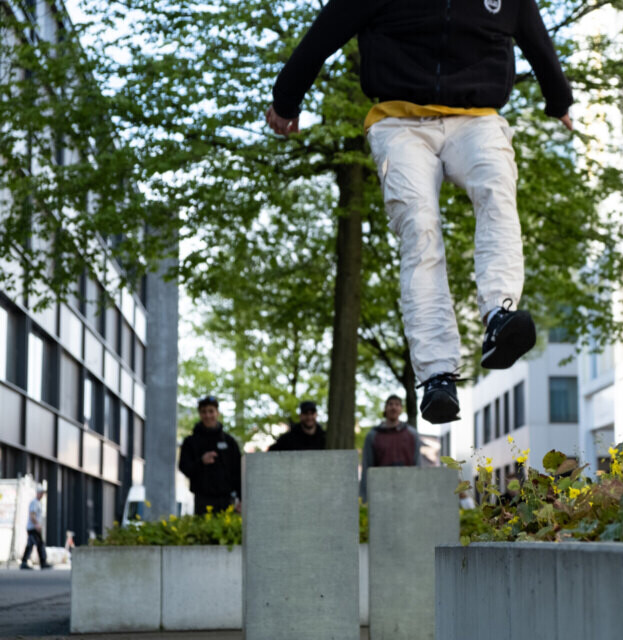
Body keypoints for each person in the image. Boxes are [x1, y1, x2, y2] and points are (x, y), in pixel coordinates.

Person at [266, 0, 575, 425]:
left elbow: (536, 39)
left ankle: (499, 315)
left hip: (477, 119)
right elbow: (324, 34)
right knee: (420, 227)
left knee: (497, 189)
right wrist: (286, 100)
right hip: (399, 121)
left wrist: (559, 99)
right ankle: (436, 376)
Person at [178, 395, 243, 514]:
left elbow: (239, 471)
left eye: (211, 411)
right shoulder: (191, 442)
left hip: (227, 500)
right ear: (200, 414)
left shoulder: (229, 442)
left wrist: (242, 498)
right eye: (204, 412)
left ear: (217, 413)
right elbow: (184, 467)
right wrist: (201, 462)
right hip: (202, 500)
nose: (208, 415)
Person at [360, 395, 422, 502]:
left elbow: (417, 464)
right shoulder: (373, 435)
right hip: (380, 491)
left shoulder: (412, 434)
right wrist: (364, 497)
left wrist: (419, 491)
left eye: (397, 404)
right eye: (390, 404)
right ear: (385, 408)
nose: (393, 407)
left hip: (407, 490)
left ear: (401, 409)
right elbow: (367, 466)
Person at [20, 487, 52, 570]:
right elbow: (32, 515)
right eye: (41, 493)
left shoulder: (38, 503)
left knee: (31, 545)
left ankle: (24, 561)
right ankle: (42, 562)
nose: (42, 495)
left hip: (33, 527)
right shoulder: (34, 503)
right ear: (38, 493)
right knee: (40, 544)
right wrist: (37, 525)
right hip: (33, 528)